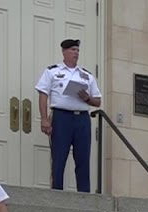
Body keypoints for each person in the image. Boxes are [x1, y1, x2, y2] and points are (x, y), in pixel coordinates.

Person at [35, 39, 101, 192]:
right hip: (61, 118)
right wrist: (44, 119)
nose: (76, 53)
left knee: (83, 159)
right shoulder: (52, 72)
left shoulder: (86, 75)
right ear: (64, 52)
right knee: (59, 158)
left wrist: (87, 98)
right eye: (72, 50)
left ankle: (84, 195)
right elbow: (43, 95)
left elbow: (98, 101)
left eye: (77, 50)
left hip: (82, 119)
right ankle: (56, 193)